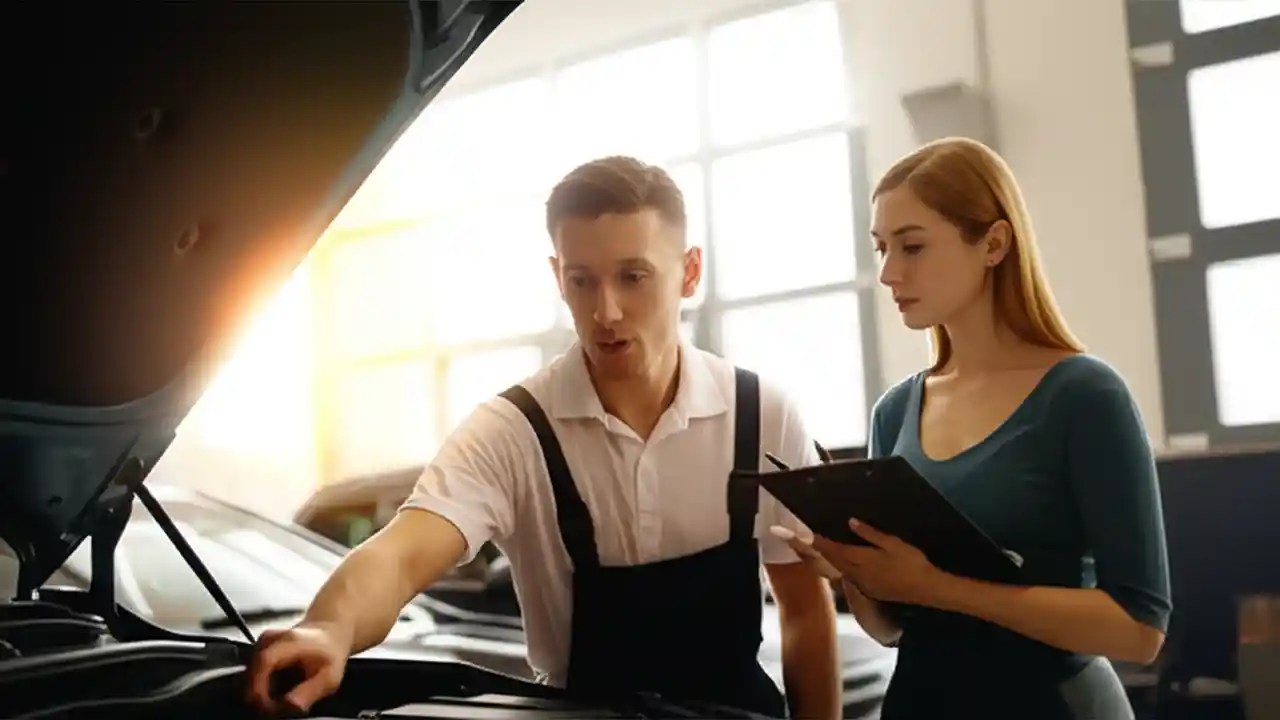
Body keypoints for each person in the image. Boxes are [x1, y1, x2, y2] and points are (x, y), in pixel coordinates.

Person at [244, 156, 841, 719]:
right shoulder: (512, 431)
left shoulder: (763, 413)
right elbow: (400, 556)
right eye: (582, 281)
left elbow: (804, 611)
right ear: (557, 275)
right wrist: (330, 628)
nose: (606, 311)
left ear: (688, 273)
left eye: (634, 277)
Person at [776, 137, 1172, 719]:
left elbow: (1139, 629)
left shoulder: (1085, 396)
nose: (888, 272)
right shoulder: (894, 411)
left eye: (911, 246)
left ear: (993, 243)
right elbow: (891, 628)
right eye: (881, 248)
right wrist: (852, 573)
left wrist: (938, 587)